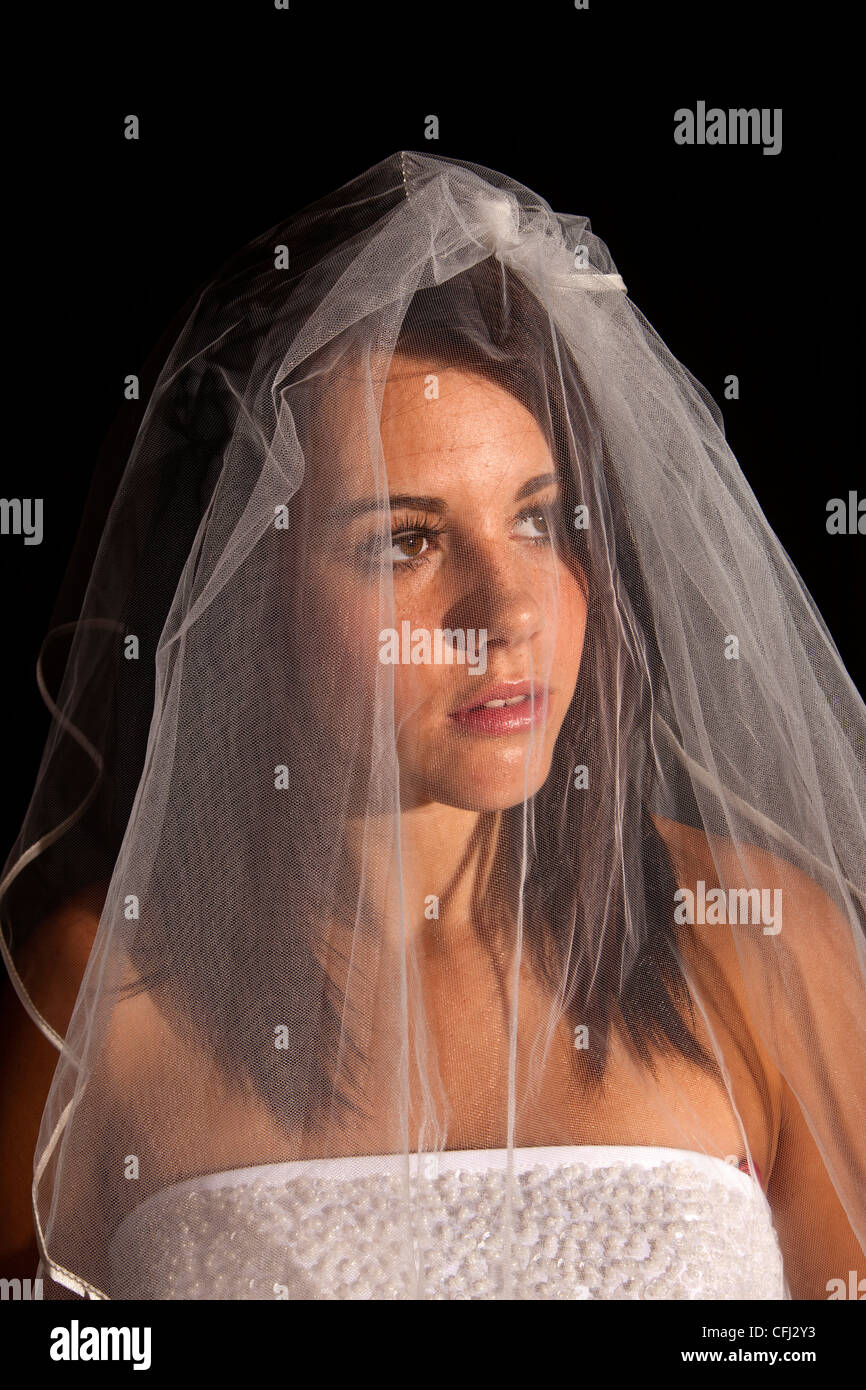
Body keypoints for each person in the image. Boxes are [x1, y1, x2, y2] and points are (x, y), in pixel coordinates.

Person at [1, 151, 864, 1300]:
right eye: (403, 539)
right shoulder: (98, 998)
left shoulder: (758, 950)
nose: (507, 613)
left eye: (542, 520)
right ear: (247, 600)